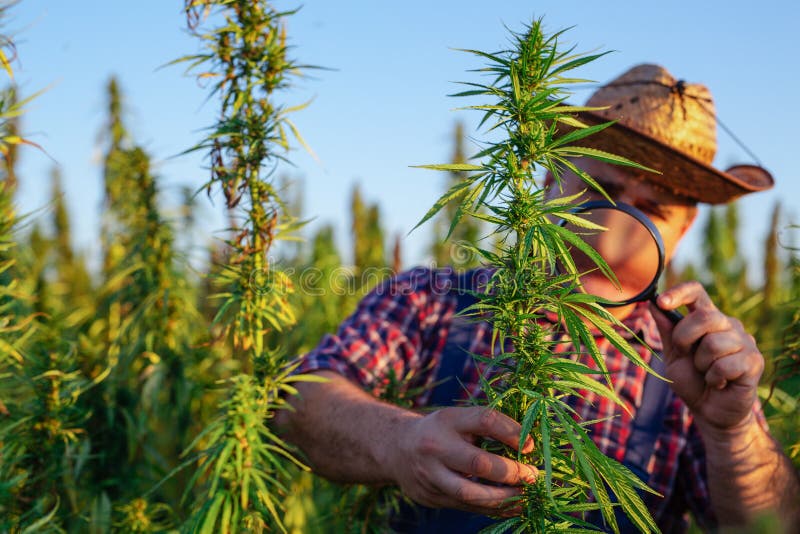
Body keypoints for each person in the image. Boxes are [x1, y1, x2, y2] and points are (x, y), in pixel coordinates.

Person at [275, 64, 800, 532]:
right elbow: (301, 398)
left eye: (650, 209)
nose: (606, 231)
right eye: (598, 190)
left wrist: (730, 431)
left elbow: (773, 525)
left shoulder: (695, 367)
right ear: (548, 182)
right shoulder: (430, 300)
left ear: (682, 231)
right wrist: (396, 442)